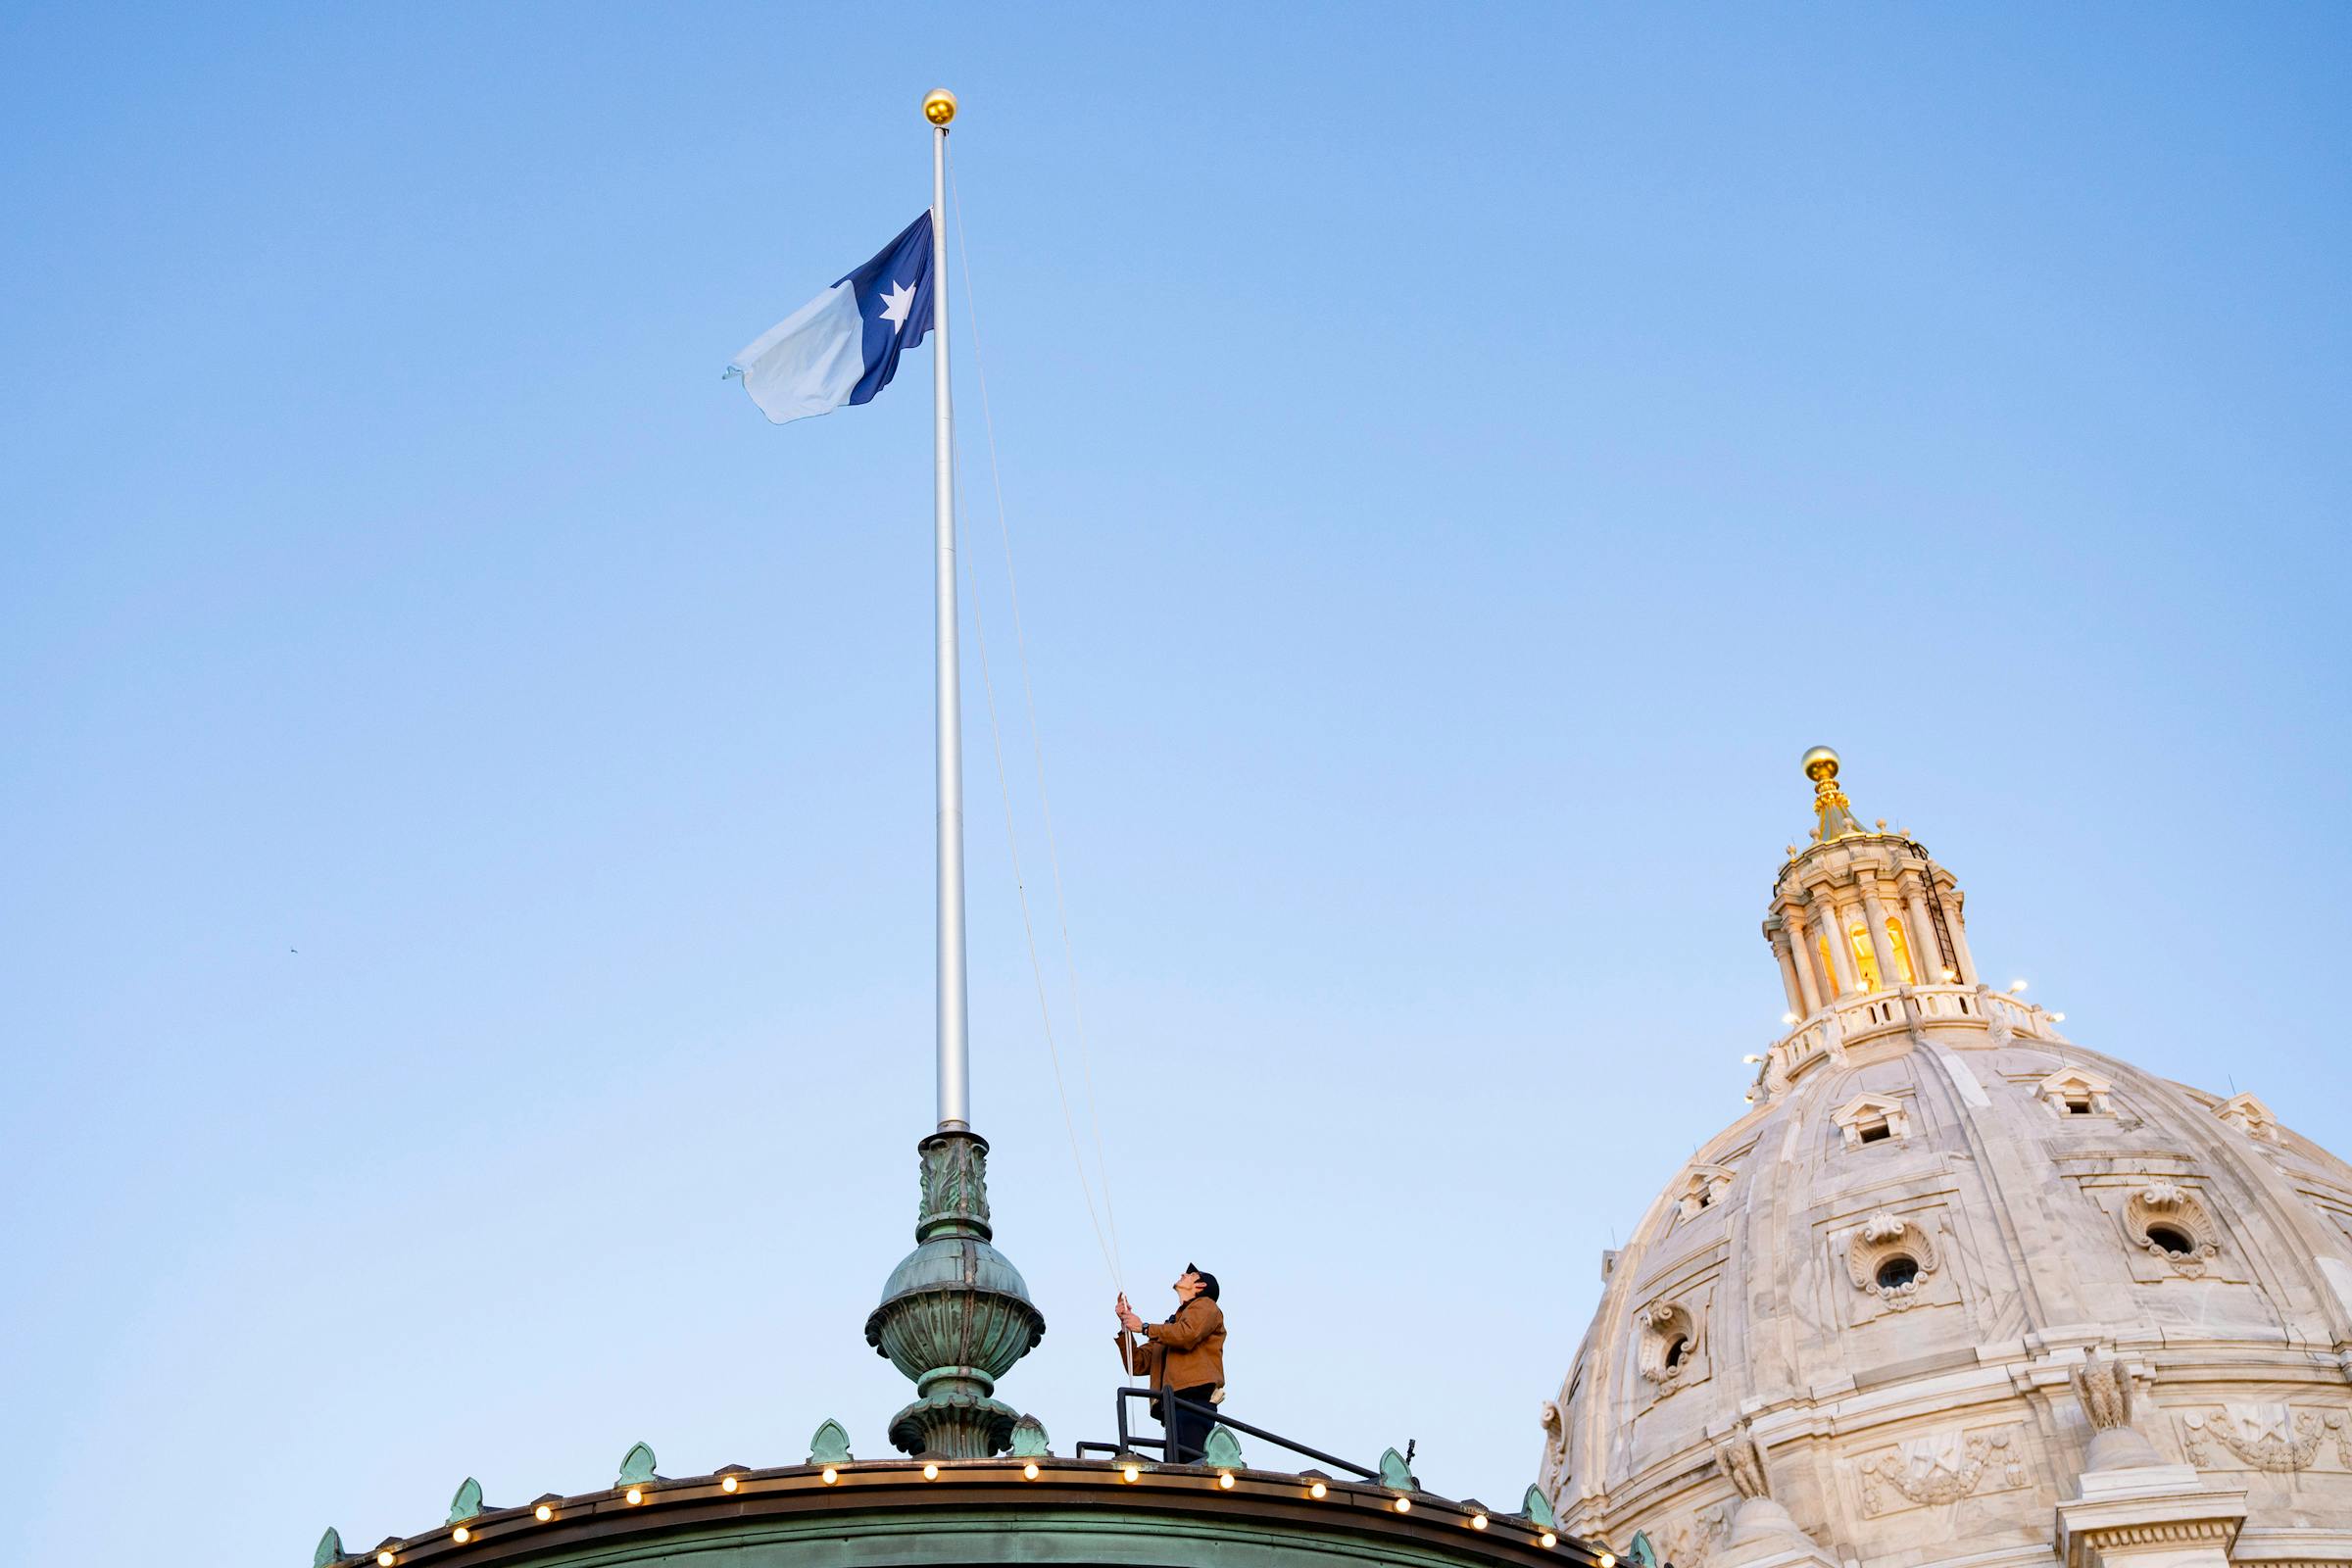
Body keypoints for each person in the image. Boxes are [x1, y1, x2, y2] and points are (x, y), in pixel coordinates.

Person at [1114, 1264, 1227, 1463]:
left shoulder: (1206, 1305)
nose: (1183, 1274)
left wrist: (1145, 1327)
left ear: (1200, 1286)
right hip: (1173, 1405)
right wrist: (1126, 1327)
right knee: (1178, 1465)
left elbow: (1187, 1334)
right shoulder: (1170, 1327)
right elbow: (1138, 1363)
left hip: (1194, 1400)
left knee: (1190, 1467)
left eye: (1191, 1274)